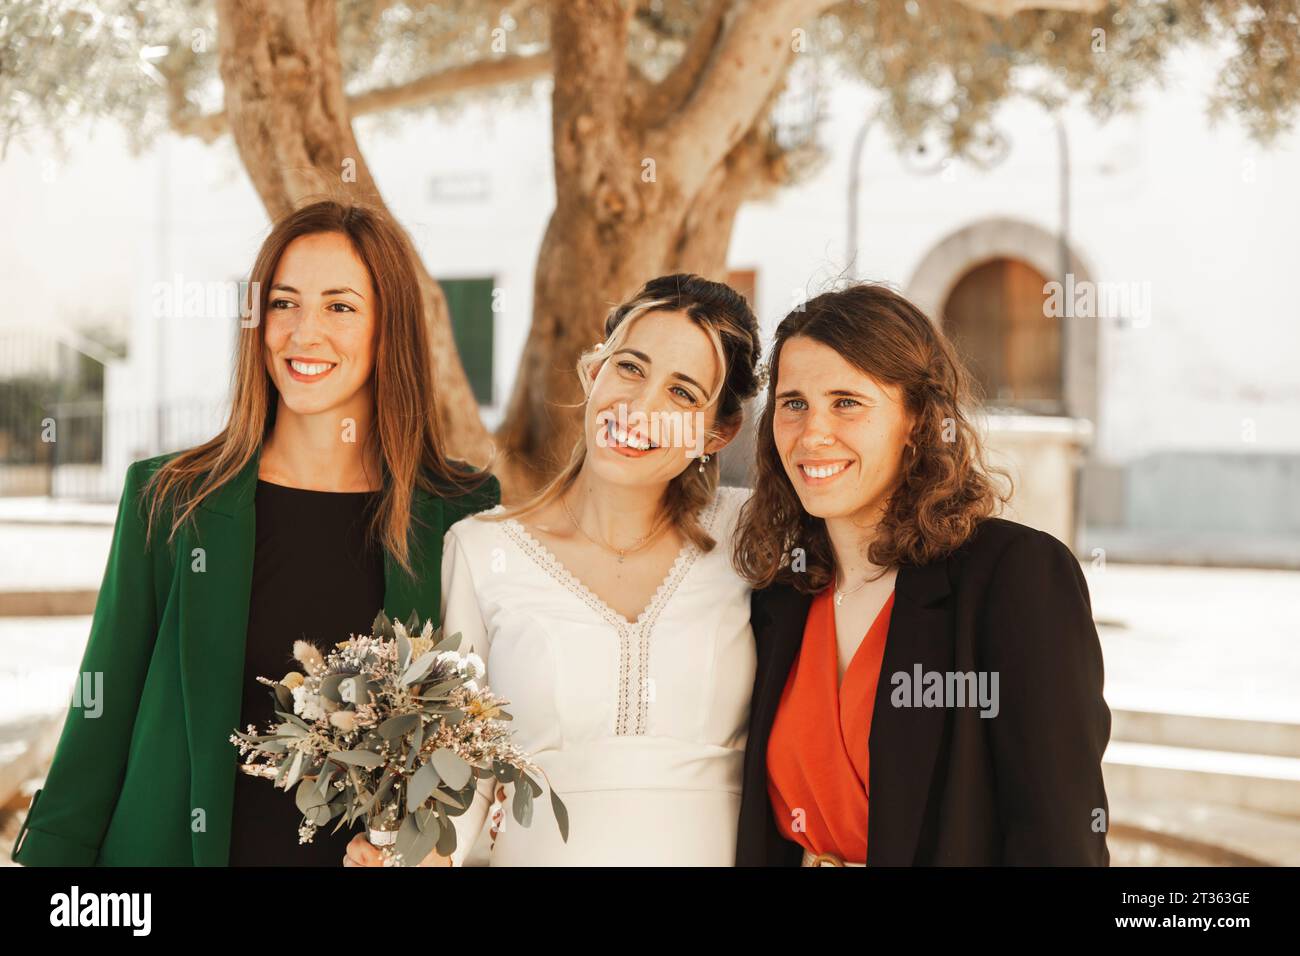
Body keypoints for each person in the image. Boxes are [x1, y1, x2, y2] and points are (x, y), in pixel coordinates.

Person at [10, 200, 497, 866]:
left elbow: (479, 740)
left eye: (340, 307)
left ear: (391, 327)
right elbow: (99, 721)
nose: (303, 333)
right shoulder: (172, 500)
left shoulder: (461, 513)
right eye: (284, 303)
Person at [345, 273, 763, 866]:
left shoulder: (751, 535)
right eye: (630, 368)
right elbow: (467, 766)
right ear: (594, 373)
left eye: (683, 394)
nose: (641, 407)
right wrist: (411, 856)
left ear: (717, 432)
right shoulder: (482, 550)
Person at [732, 282, 1111, 866]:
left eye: (847, 402)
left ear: (916, 419)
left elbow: (1059, 838)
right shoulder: (780, 592)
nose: (813, 434)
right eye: (794, 402)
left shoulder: (1015, 579)